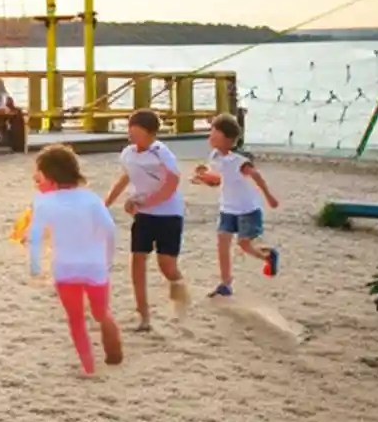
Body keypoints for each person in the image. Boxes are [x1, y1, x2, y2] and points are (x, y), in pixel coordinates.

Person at [27, 144, 124, 376]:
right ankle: (114, 353)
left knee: (76, 319)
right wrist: (108, 258)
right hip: (95, 265)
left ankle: (88, 367)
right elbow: (109, 229)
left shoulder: (43, 201)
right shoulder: (90, 198)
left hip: (65, 266)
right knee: (102, 313)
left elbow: (35, 237)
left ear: (48, 175)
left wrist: (35, 267)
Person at [104, 109, 189, 331]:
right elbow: (125, 177)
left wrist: (145, 203)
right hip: (143, 216)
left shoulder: (161, 152)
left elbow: (172, 184)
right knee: (137, 260)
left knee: (167, 266)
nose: (131, 136)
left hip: (169, 214)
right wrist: (106, 204)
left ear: (151, 134)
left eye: (137, 132)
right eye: (130, 130)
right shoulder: (128, 153)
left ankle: (179, 286)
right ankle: (144, 316)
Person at [192, 113, 281, 297]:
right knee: (222, 243)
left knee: (244, 244)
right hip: (227, 208)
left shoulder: (238, 160)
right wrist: (203, 178)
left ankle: (268, 257)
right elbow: (220, 179)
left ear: (227, 138)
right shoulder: (215, 157)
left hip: (246, 209)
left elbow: (255, 175)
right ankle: (226, 283)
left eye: (214, 132)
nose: (210, 136)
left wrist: (269, 197)